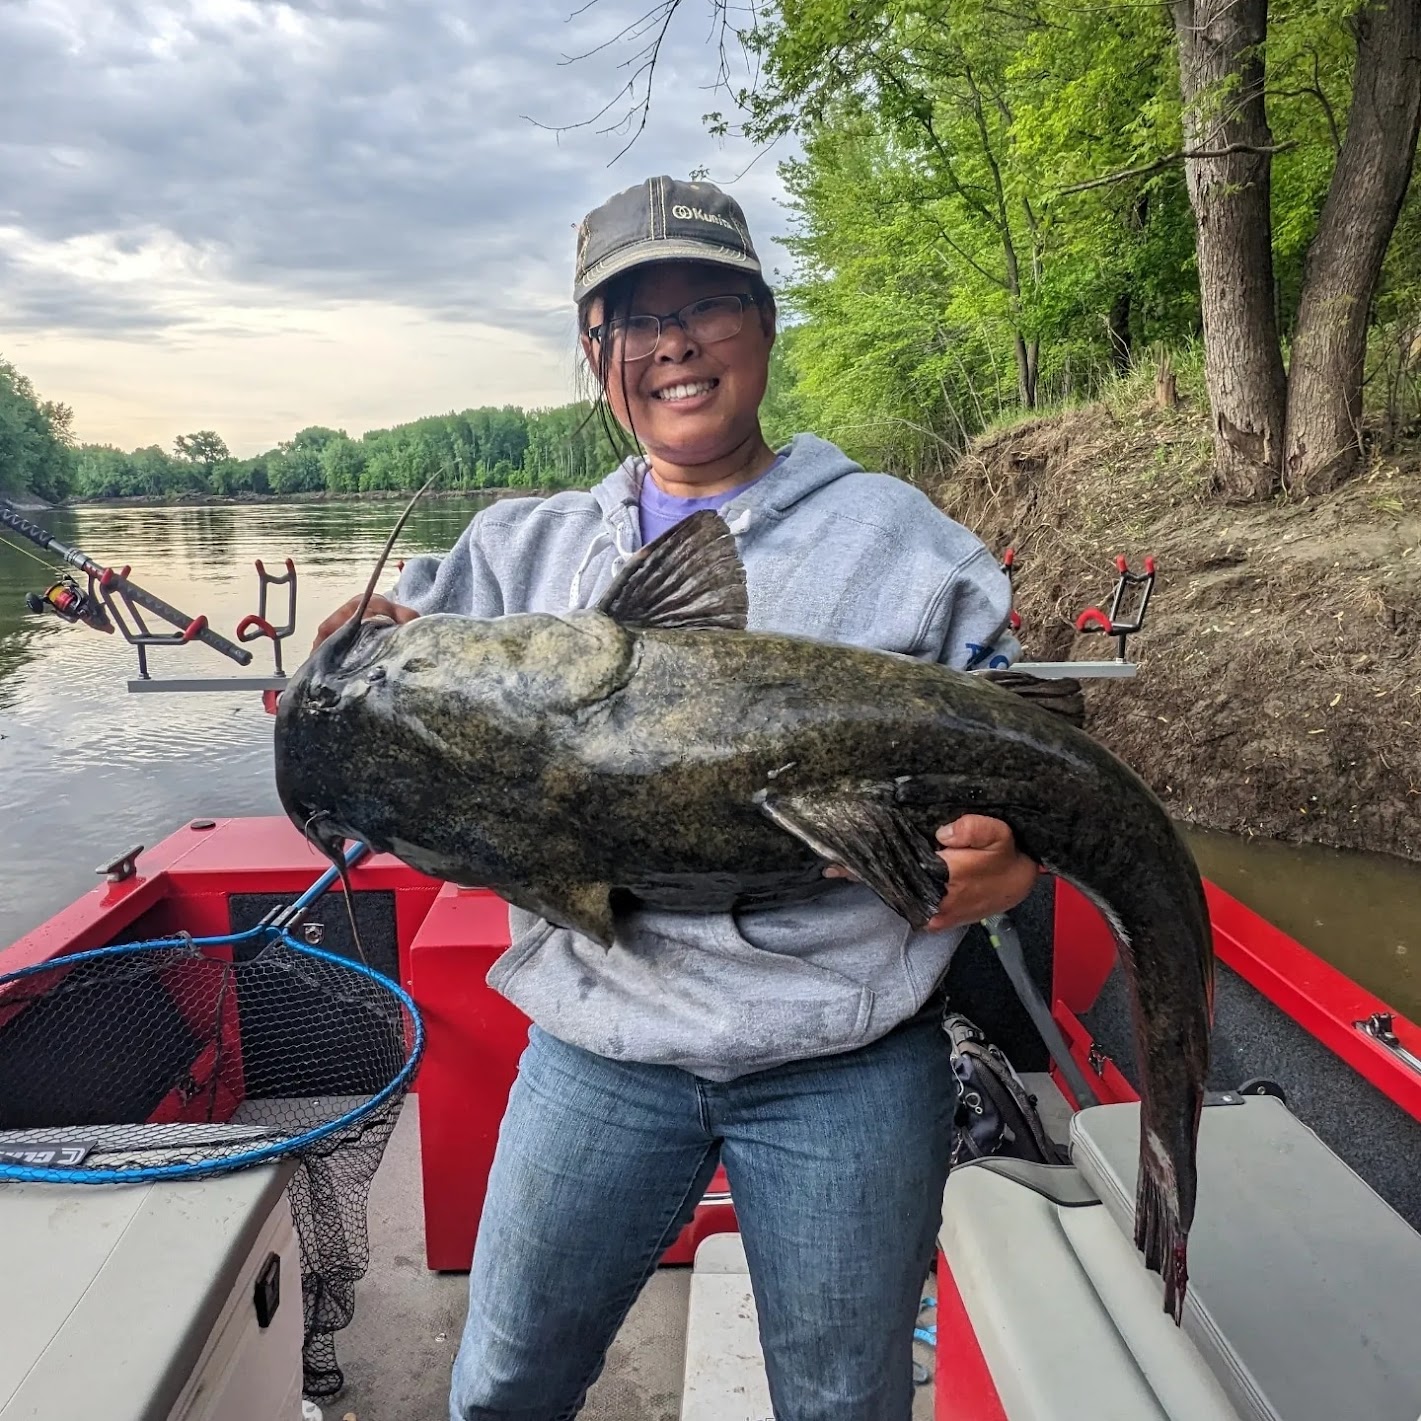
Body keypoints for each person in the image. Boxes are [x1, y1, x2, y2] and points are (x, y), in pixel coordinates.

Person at [314, 176, 1037, 1421]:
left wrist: (1015, 859)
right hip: (598, 1042)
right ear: (596, 355)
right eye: (633, 319)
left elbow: (1013, 743)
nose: (673, 343)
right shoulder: (514, 551)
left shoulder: (902, 541)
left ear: (761, 322)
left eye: (706, 302)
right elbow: (411, 678)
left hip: (843, 1052)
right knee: (500, 1381)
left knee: (841, 1399)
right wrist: (362, 648)